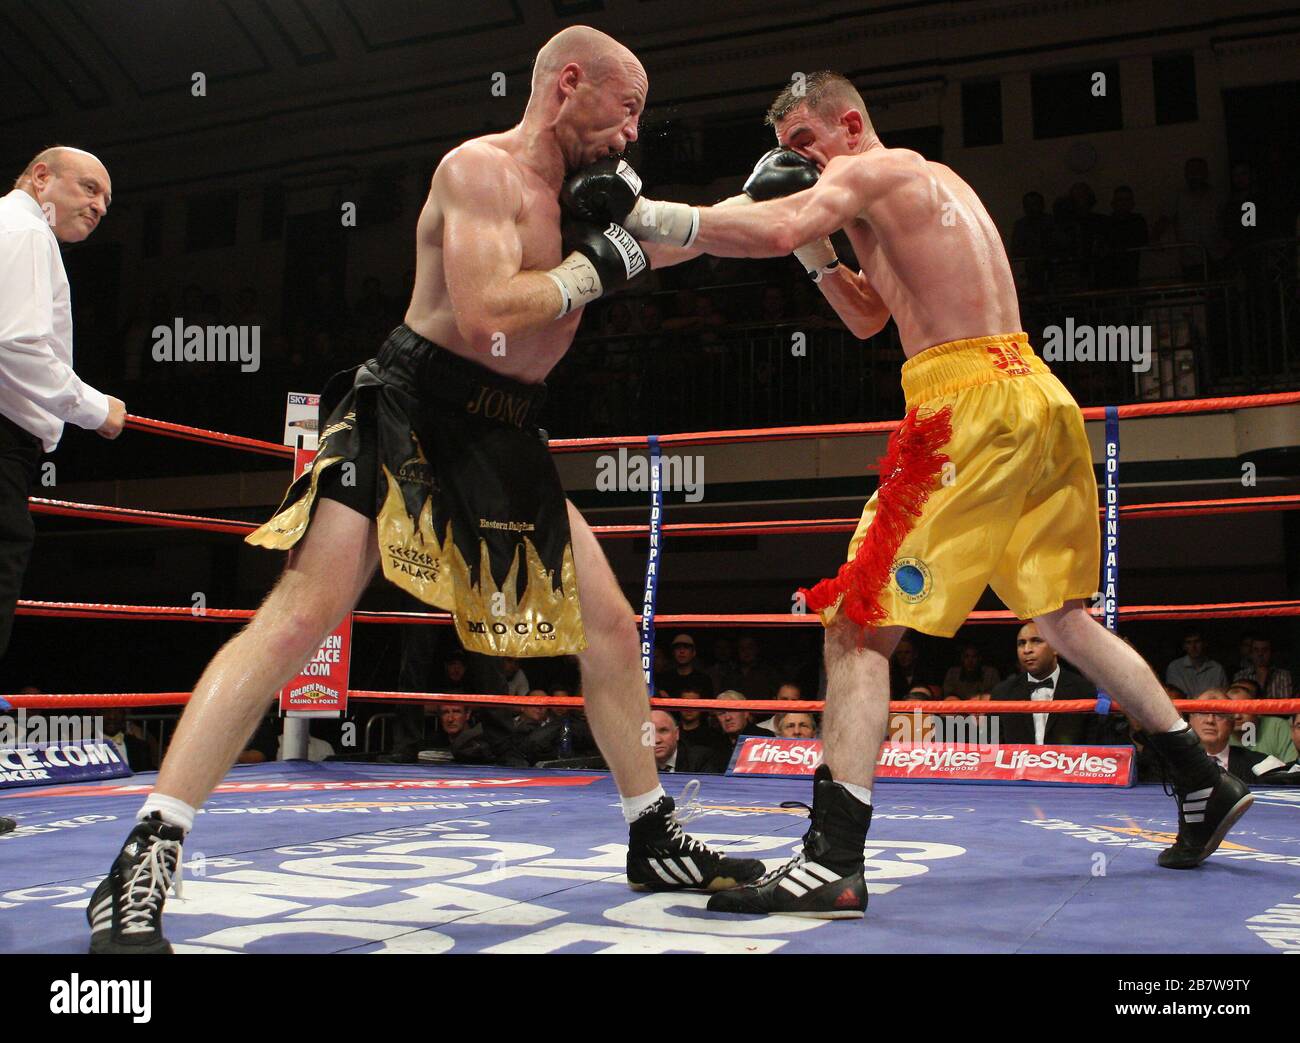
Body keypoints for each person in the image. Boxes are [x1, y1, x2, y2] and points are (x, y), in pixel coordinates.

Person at [85, 26, 762, 955]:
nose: (633, 135)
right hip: (413, 405)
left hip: (507, 428)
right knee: (302, 613)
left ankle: (651, 832)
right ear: (571, 85)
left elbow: (685, 233)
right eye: (628, 108)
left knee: (606, 625)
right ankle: (145, 853)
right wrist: (609, 259)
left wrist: (759, 209)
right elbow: (487, 310)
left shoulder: (596, 192)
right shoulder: (478, 171)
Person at [571, 69, 1254, 917]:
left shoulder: (867, 168)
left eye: (804, 145)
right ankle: (1200, 778)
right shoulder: (916, 186)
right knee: (1064, 616)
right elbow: (865, 316)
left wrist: (637, 210)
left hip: (966, 407)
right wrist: (820, 248)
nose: (798, 163)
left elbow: (770, 223)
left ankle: (832, 859)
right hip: (1036, 399)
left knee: (855, 624)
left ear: (850, 123)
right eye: (787, 152)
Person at [0, 147, 126, 663]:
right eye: (89, 189)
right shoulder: (26, 232)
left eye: (106, 201)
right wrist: (94, 409)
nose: (99, 207)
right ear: (41, 176)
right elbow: (17, 345)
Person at [991, 623, 1096, 745]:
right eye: (1021, 643)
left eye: (1036, 641)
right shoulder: (1002, 693)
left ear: (1056, 647)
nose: (1027, 650)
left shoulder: (1084, 690)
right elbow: (989, 751)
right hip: (1018, 764)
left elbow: (1097, 750)